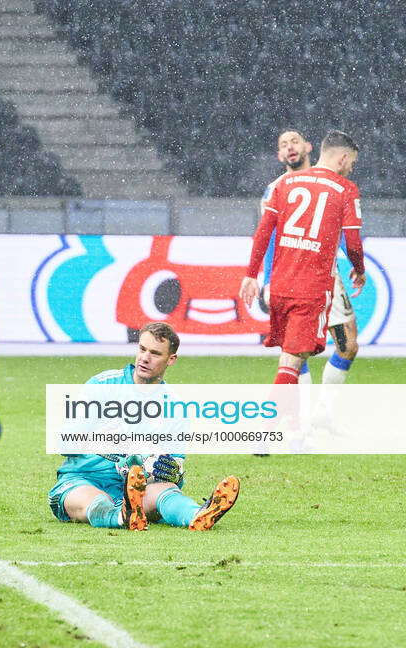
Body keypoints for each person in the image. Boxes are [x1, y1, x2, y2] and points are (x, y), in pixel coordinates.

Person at [48, 322, 240, 532]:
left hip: (137, 489)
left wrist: (172, 472)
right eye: (142, 349)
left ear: (171, 359)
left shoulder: (175, 407)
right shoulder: (102, 386)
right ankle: (121, 516)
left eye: (155, 353)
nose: (145, 358)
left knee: (166, 491)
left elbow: (174, 468)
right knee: (94, 499)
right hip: (84, 479)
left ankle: (198, 514)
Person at [241, 131, 366, 384]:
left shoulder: (296, 186)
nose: (290, 148)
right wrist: (265, 278)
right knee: (296, 354)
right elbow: (269, 234)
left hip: (319, 276)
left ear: (309, 147)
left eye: (294, 141)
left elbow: (266, 232)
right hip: (297, 277)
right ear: (279, 155)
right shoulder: (278, 187)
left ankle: (317, 415)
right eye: (283, 145)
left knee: (345, 345)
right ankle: (297, 417)